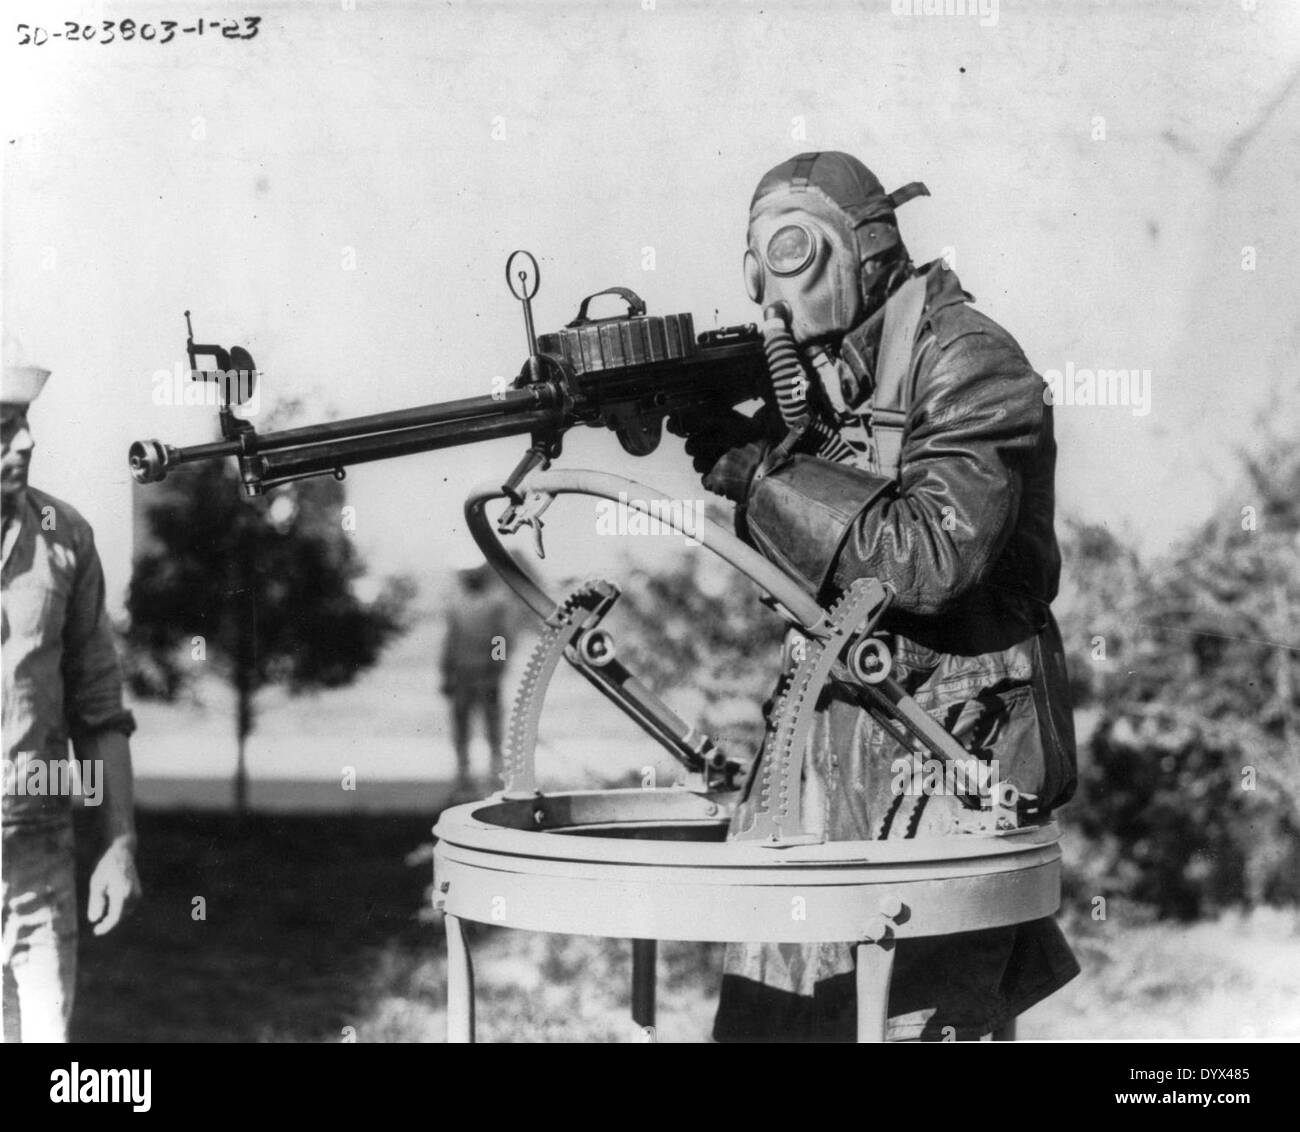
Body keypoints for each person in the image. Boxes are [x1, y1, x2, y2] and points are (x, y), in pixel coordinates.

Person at [674, 151, 1080, 1041]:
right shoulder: (829, 372)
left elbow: (931, 555)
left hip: (943, 758)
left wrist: (762, 478)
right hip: (823, 759)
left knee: (910, 1021)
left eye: (793, 251)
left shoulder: (967, 357)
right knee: (772, 1020)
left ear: (859, 250)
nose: (773, 287)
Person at [2, 351, 142, 1042]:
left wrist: (119, 842)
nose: (26, 442)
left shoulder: (66, 538)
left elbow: (99, 703)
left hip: (37, 857)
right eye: (3, 426)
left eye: (24, 423)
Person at [439, 561, 513, 791]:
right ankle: (463, 771)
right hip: (462, 673)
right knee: (461, 724)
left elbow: (499, 639)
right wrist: (447, 672)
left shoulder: (496, 603)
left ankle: (495, 771)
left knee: (491, 724)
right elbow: (450, 641)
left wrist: (496, 669)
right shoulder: (456, 604)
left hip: (485, 673)